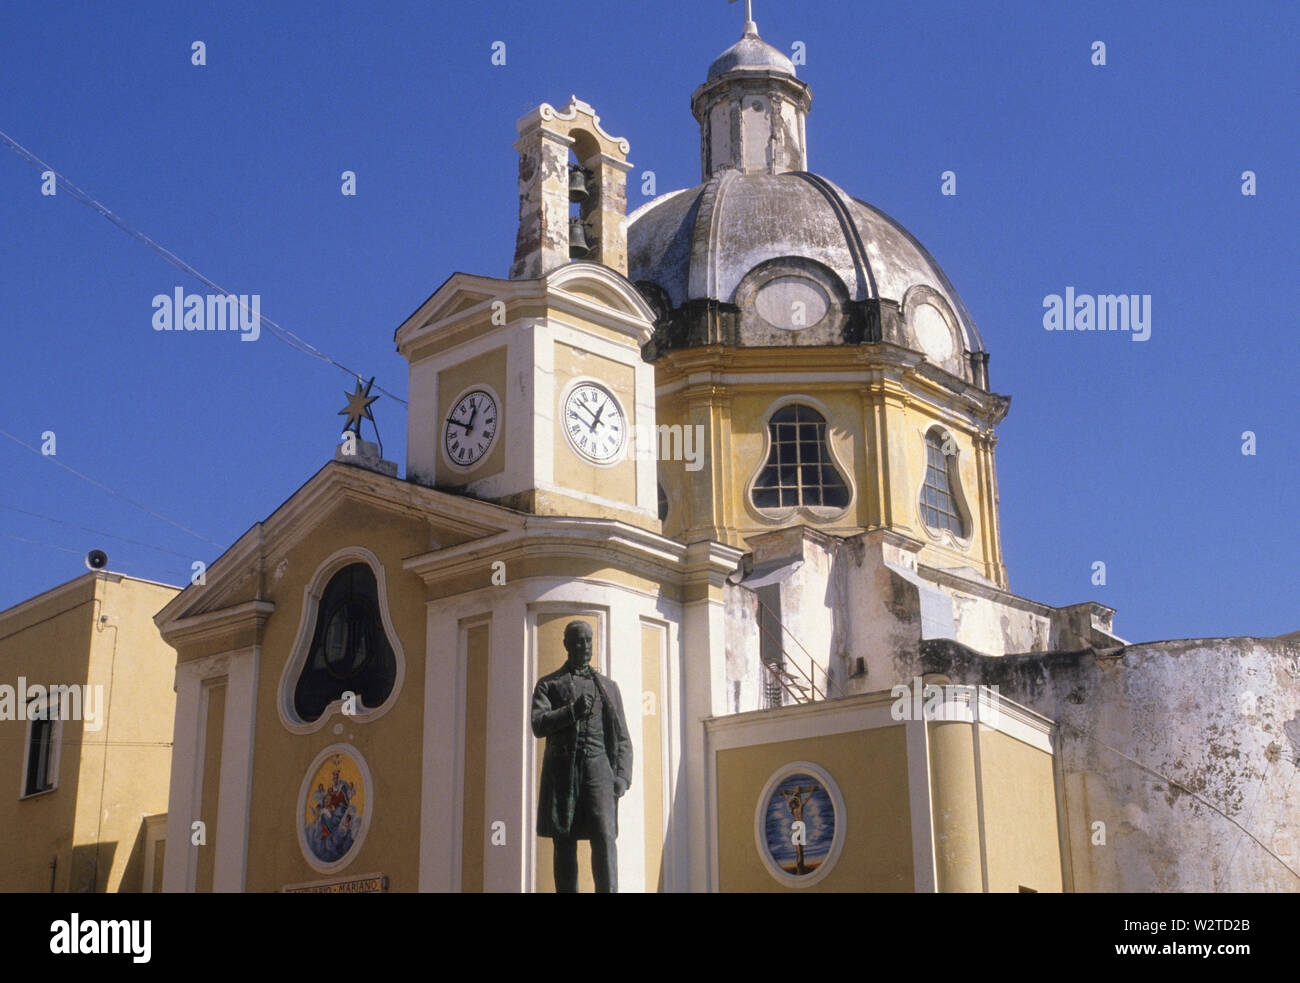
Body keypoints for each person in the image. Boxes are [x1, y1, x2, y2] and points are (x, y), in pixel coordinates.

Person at [531, 621, 632, 892]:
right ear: (566, 644)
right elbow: (538, 724)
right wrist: (571, 711)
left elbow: (622, 737)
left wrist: (622, 776)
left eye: (588, 641)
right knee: (564, 839)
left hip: (599, 770)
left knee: (604, 837)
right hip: (563, 773)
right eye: (578, 641)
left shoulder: (608, 687)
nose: (584, 646)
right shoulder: (549, 685)